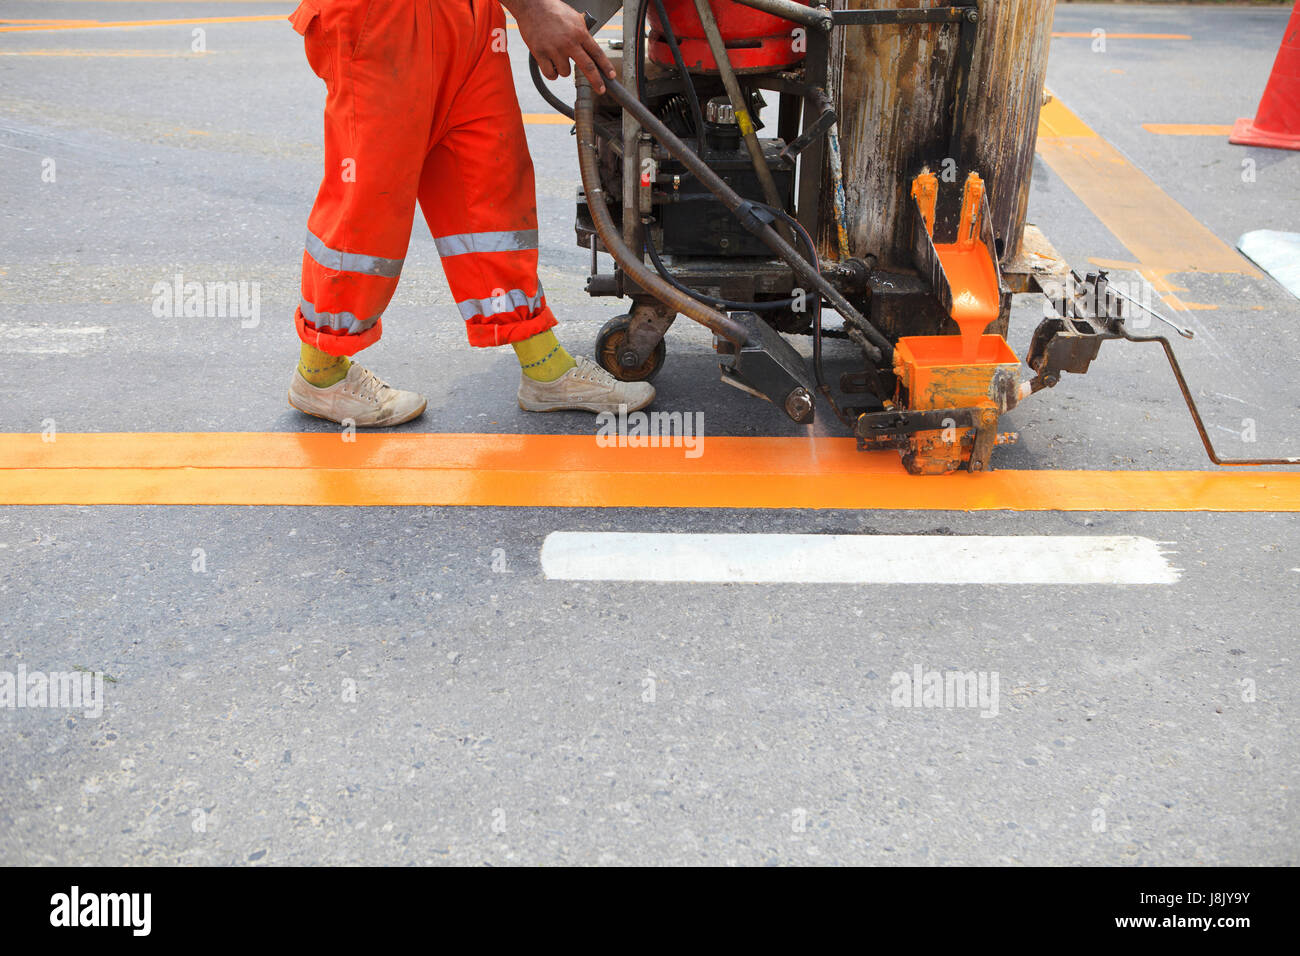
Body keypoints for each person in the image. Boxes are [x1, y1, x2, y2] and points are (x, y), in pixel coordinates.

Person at [285, 0, 654, 426]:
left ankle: (544, 367)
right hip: (383, 21)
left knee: (491, 189)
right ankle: (320, 373)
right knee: (371, 201)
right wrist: (532, 9)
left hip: (468, 19)